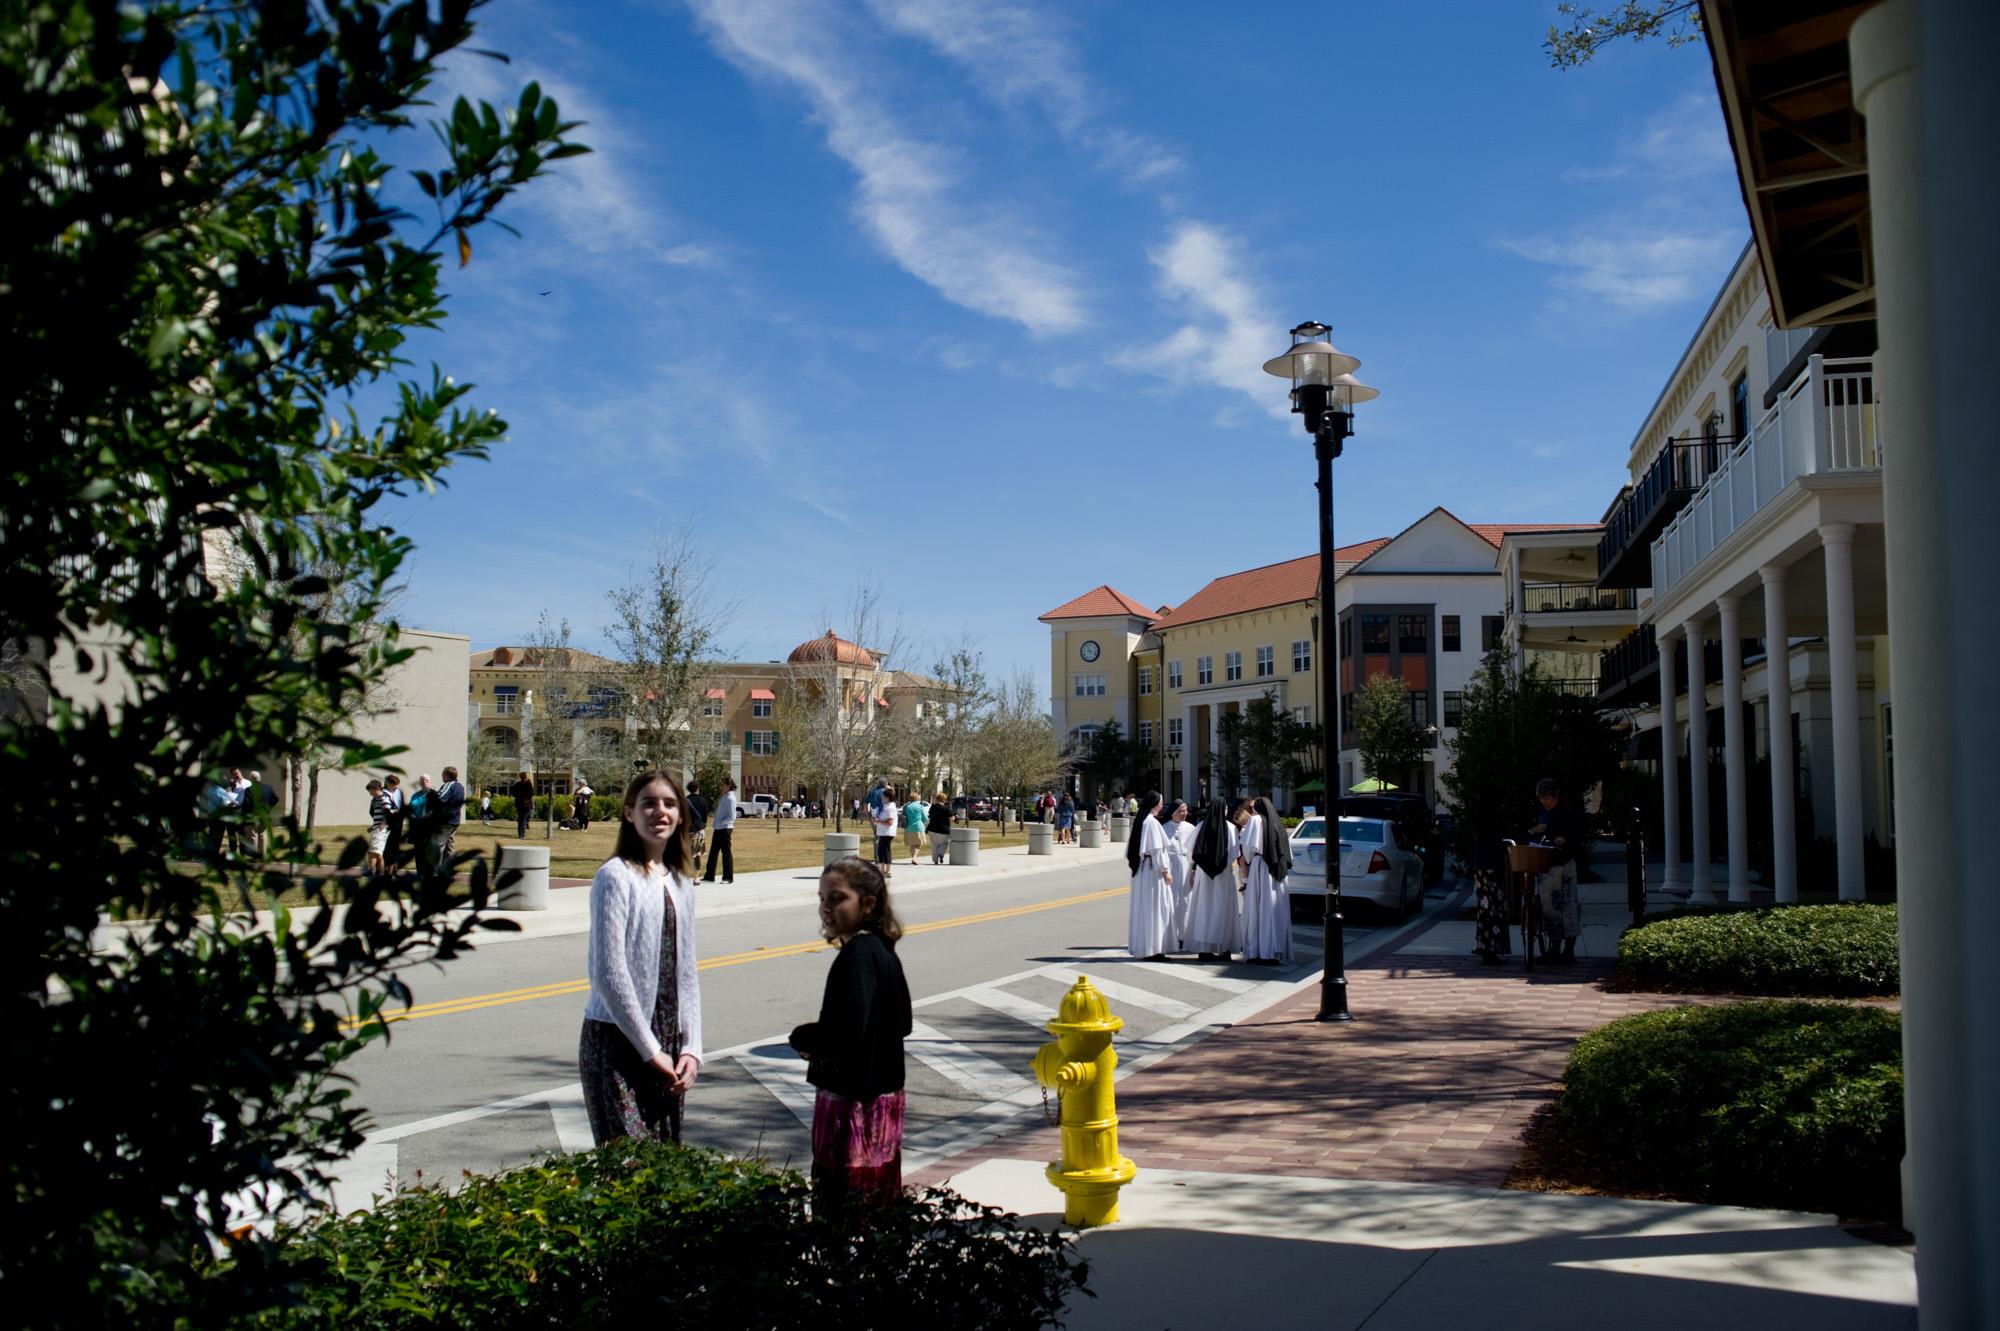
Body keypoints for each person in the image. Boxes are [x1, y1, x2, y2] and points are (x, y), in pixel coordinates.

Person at [579, 769, 702, 1145]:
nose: (659, 812)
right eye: (648, 803)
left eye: (669, 803)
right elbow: (609, 975)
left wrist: (692, 1049)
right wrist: (651, 1052)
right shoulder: (615, 877)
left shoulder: (680, 881)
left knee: (664, 1166)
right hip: (618, 1040)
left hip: (667, 1039)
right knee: (627, 1170)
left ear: (680, 814)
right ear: (629, 813)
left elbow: (687, 973)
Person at [788, 857, 911, 1213]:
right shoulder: (883, 950)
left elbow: (846, 1034)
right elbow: (902, 1023)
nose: (826, 908)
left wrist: (803, 1039)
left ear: (868, 903)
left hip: (851, 1103)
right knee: (879, 1201)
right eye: (822, 898)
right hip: (885, 1098)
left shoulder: (856, 954)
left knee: (842, 1204)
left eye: (837, 898)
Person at [1528, 777, 1584, 964]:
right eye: (1542, 799)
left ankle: (1568, 950)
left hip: (1564, 863)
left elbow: (1577, 836)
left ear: (1556, 796)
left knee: (1568, 906)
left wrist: (1565, 839)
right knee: (1549, 908)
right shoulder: (1544, 813)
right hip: (1547, 863)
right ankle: (1554, 948)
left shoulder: (1568, 813)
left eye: (1549, 798)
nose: (1546, 802)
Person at [1183, 797, 1242, 960]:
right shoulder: (1231, 828)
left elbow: (1191, 850)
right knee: (1223, 910)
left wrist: (1195, 866)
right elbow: (1235, 853)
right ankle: (1224, 949)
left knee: (1204, 909)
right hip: (1224, 875)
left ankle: (1204, 949)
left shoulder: (1201, 826)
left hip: (1204, 874)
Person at [1238, 795, 1294, 964]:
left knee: (1258, 909)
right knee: (1274, 911)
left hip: (1261, 867)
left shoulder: (1256, 821)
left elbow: (1247, 847)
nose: (1252, 810)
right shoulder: (1279, 823)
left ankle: (1259, 951)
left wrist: (1248, 862)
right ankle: (1273, 950)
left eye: (1254, 807)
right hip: (1278, 872)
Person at [1125, 791, 1175, 961]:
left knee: (1145, 910)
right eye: (1161, 802)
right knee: (1156, 909)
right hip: (1153, 873)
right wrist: (1166, 871)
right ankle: (1155, 949)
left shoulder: (1142, 821)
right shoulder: (1152, 823)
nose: (1162, 805)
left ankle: (1146, 946)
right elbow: (1157, 851)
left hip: (1142, 871)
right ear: (1155, 803)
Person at [1161, 799, 1197, 952]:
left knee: (1187, 902)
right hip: (1172, 868)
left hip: (1187, 867)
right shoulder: (1164, 828)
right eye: (1181, 811)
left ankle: (1185, 935)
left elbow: (1195, 851)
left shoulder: (1191, 828)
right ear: (1173, 812)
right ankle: (1173, 936)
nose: (1184, 814)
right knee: (1173, 902)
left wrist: (1194, 869)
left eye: (1186, 810)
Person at [701, 776, 737, 884]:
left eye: (723, 785)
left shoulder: (731, 798)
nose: (721, 787)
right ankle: (709, 876)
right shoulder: (724, 797)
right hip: (718, 829)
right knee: (713, 852)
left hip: (725, 829)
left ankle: (728, 877)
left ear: (728, 785)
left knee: (726, 853)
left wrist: (720, 823)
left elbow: (732, 817)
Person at [431, 766, 467, 871]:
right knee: (449, 847)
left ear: (447, 775)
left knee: (438, 846)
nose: (442, 776)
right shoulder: (460, 786)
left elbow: (440, 799)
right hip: (454, 821)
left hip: (445, 821)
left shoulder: (448, 785)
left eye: (443, 774)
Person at [407, 774, 437, 874]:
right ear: (420, 782)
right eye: (422, 780)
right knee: (419, 853)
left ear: (430, 781)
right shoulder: (415, 795)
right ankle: (419, 874)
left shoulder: (434, 795)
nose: (424, 782)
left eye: (426, 780)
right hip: (417, 829)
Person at [364, 778, 393, 875]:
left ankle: (373, 871)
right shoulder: (376, 800)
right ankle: (378, 872)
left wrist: (383, 824)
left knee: (375, 852)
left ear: (375, 789)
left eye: (370, 791)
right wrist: (373, 827)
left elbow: (388, 813)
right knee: (375, 852)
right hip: (376, 828)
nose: (370, 794)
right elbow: (378, 816)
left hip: (381, 830)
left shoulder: (384, 798)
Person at [869, 792, 897, 878]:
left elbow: (890, 822)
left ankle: (887, 871)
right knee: (881, 851)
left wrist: (878, 821)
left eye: (883, 797)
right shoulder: (886, 806)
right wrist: (876, 818)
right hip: (883, 832)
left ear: (888, 798)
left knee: (885, 851)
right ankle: (883, 870)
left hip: (887, 832)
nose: (882, 798)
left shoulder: (890, 808)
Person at [685, 779, 709, 862]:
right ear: (698, 788)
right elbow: (705, 818)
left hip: (688, 830)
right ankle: (696, 875)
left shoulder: (685, 800)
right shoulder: (703, 800)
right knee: (697, 855)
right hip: (699, 830)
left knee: (687, 853)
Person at [902, 790, 929, 865]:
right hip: (918, 827)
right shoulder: (920, 806)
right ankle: (914, 858)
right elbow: (925, 818)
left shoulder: (907, 807)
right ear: (917, 798)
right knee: (918, 844)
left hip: (908, 827)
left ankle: (913, 857)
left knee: (912, 844)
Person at [926, 792, 952, 864]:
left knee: (934, 844)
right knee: (945, 843)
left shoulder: (932, 807)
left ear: (937, 799)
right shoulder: (947, 809)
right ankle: (941, 853)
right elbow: (951, 818)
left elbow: (930, 815)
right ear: (944, 800)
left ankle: (935, 860)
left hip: (932, 828)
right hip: (943, 829)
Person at [509, 771, 534, 840]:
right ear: (526, 776)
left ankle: (520, 833)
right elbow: (532, 793)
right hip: (527, 804)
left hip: (519, 804)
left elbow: (513, 793)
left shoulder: (517, 784)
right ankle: (522, 834)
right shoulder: (528, 784)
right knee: (524, 819)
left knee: (520, 819)